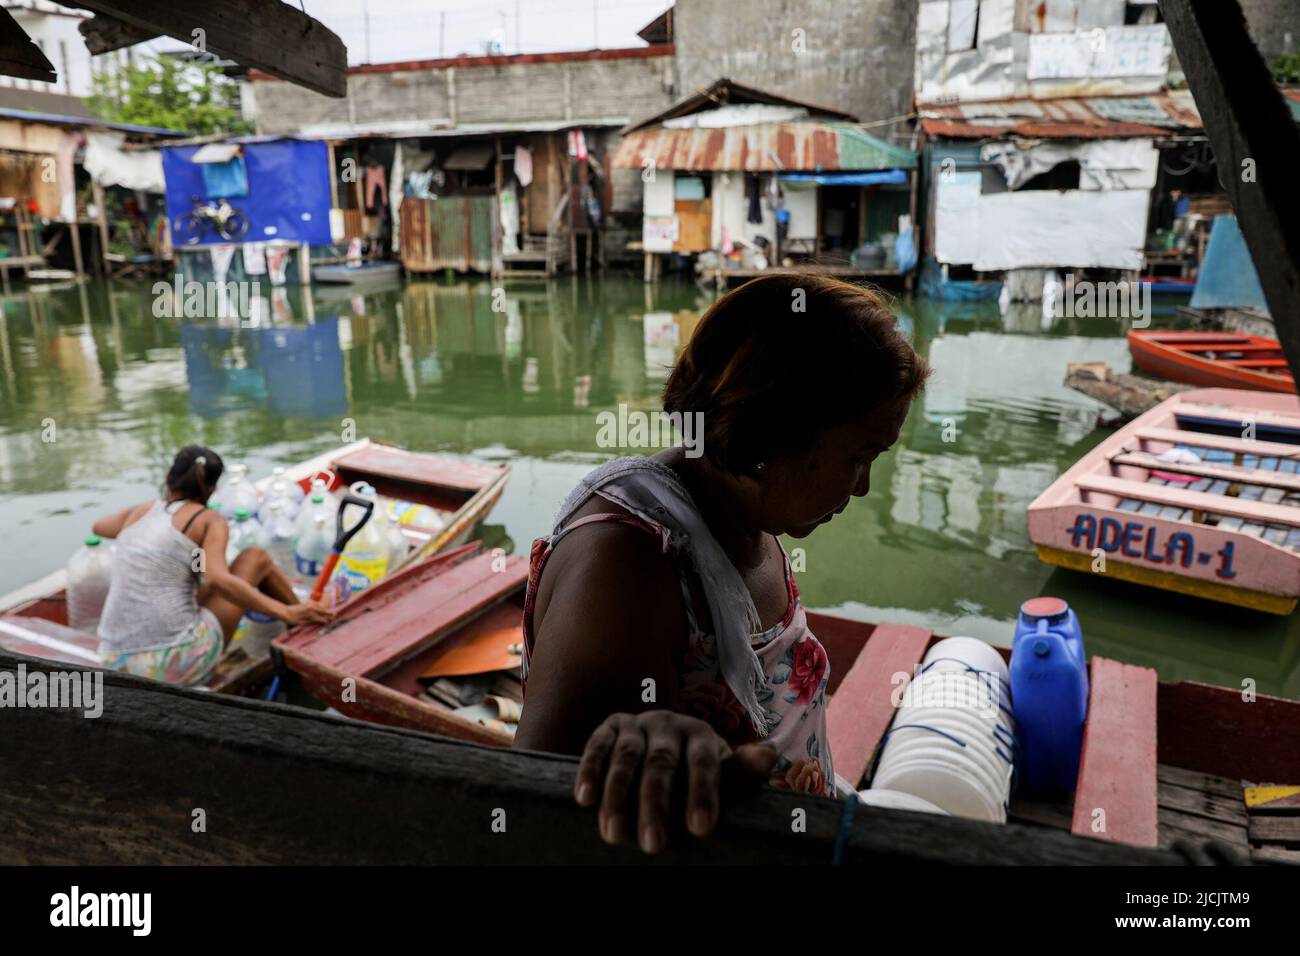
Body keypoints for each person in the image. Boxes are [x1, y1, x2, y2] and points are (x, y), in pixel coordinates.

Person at [514, 274, 929, 854]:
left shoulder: (744, 510)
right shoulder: (625, 565)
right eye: (860, 456)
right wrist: (649, 735)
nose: (862, 487)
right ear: (781, 431)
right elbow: (535, 811)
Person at [91, 446, 332, 685]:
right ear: (214, 489)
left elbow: (99, 526)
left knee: (195, 577)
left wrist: (140, 516)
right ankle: (299, 621)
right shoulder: (208, 519)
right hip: (172, 663)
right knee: (255, 557)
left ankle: (297, 622)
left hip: (113, 660)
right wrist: (285, 611)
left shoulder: (142, 511)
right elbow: (217, 579)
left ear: (168, 478)